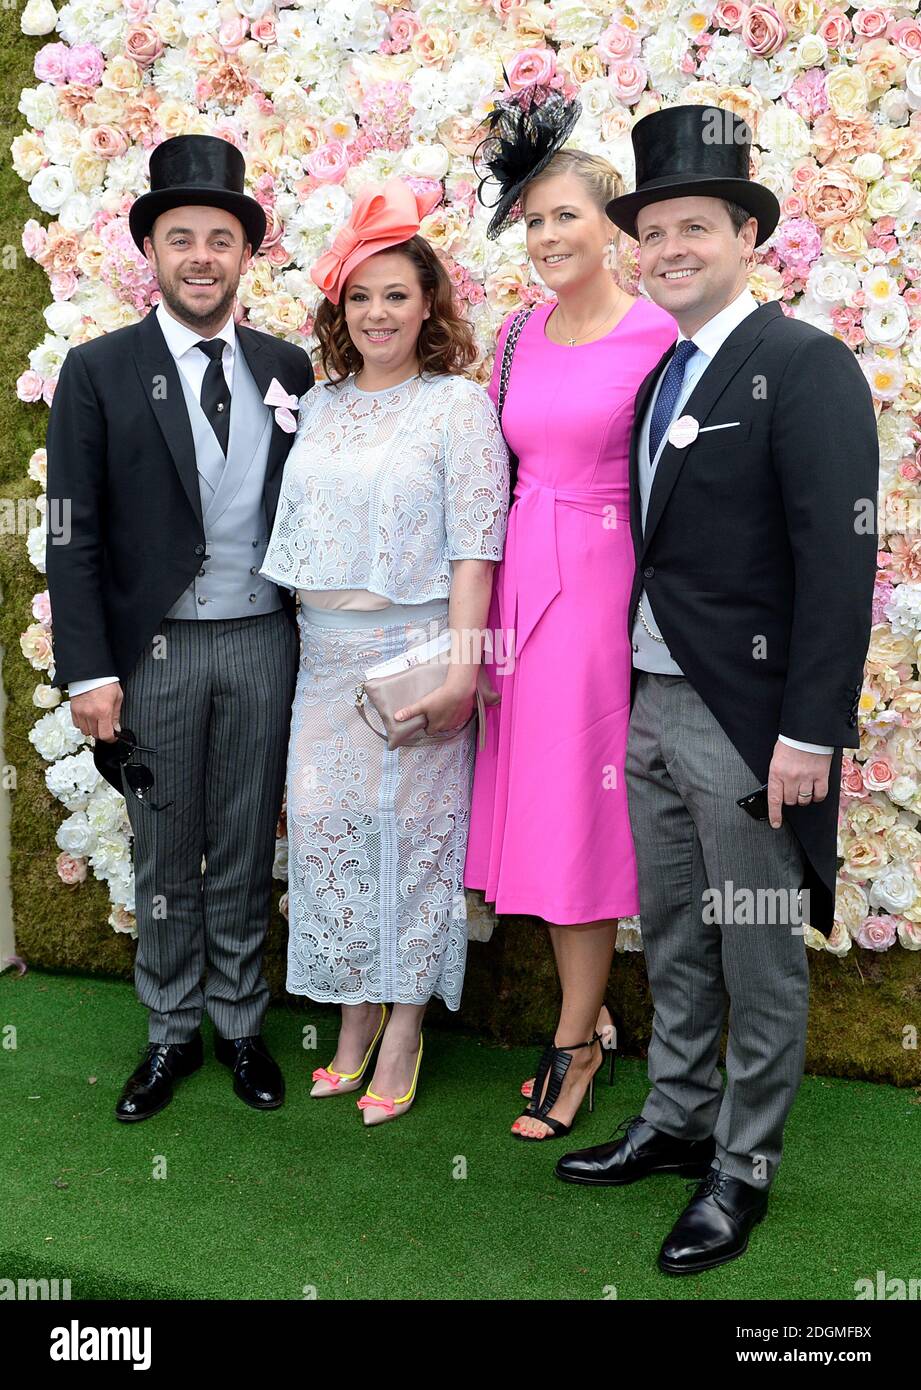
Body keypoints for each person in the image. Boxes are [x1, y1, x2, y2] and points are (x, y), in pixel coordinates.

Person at [555, 105, 879, 1274]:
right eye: (655, 229)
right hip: (648, 705)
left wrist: (807, 733)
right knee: (676, 936)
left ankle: (743, 1168)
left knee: (756, 948)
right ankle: (678, 1118)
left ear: (750, 237)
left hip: (747, 726)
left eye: (698, 224)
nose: (671, 246)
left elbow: (842, 563)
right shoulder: (664, 376)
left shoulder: (804, 363)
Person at [44, 134, 314, 1122]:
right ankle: (168, 1033)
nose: (201, 256)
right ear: (151, 254)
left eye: (219, 238)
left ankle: (240, 1025)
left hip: (264, 641)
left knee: (245, 841)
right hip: (150, 653)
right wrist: (88, 672)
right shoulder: (99, 370)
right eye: (180, 237)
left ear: (247, 255)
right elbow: (69, 534)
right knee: (164, 850)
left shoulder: (288, 367)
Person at [259, 178, 509, 1125]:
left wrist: (464, 667)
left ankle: (403, 1026)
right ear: (340, 309)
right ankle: (352, 1017)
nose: (376, 313)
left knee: (413, 844)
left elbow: (475, 546)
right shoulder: (317, 408)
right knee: (328, 838)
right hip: (322, 660)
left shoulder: (456, 407)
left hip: (416, 653)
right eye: (359, 296)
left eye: (395, 295)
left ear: (427, 306)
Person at [464, 88, 678, 1141]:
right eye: (535, 218)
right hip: (518, 597)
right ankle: (582, 1027)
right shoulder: (513, 334)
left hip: (601, 600)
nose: (548, 235)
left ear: (615, 228)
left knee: (582, 819)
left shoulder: (657, 338)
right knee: (539, 817)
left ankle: (578, 1038)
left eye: (568, 217)